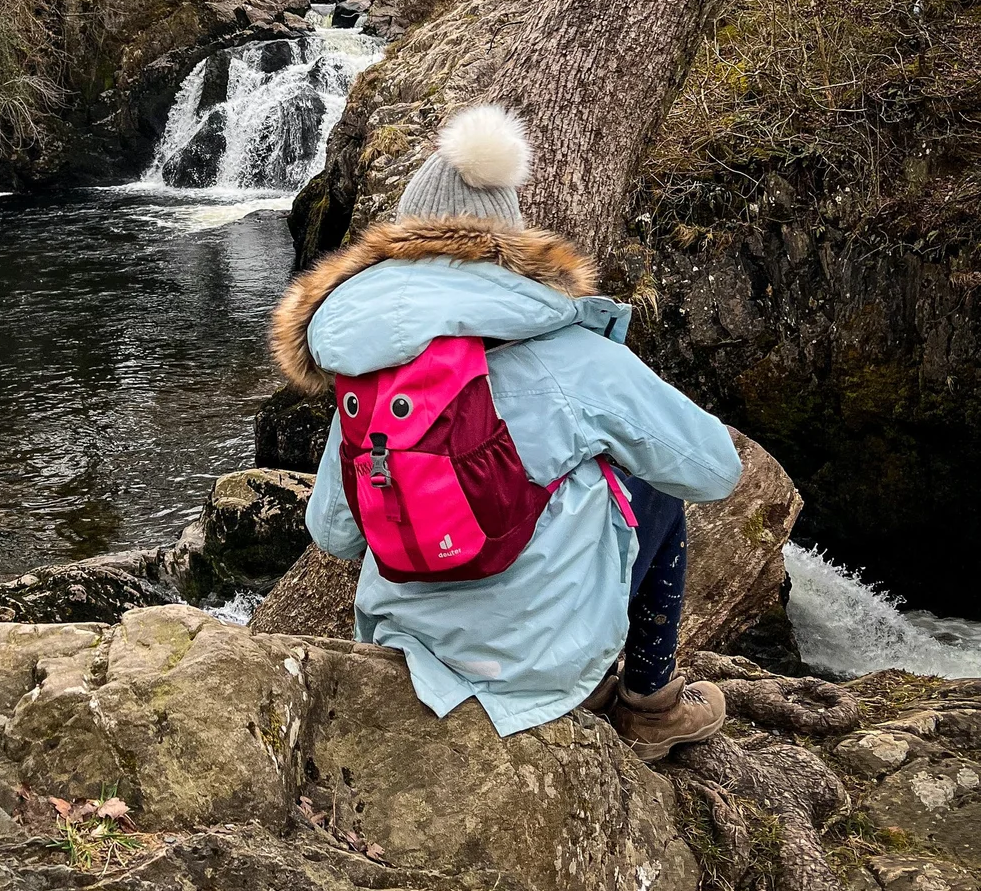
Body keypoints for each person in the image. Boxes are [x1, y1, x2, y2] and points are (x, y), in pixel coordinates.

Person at [269, 101, 743, 758]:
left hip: (405, 645)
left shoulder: (369, 373)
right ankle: (651, 704)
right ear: (508, 242)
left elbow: (332, 531)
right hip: (540, 662)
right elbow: (716, 469)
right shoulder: (576, 355)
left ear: (402, 243)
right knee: (656, 485)